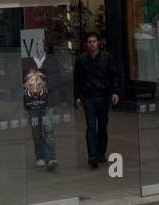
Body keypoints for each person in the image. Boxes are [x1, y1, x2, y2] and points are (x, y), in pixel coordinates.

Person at [74, 31, 124, 169]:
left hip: (103, 97)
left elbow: (114, 75)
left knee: (102, 126)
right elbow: (77, 79)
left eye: (94, 41)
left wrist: (115, 92)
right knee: (90, 126)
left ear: (98, 43)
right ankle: (92, 155)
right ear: (86, 44)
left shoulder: (107, 57)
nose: (92, 44)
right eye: (89, 42)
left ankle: (101, 153)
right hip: (89, 97)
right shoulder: (81, 59)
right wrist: (77, 96)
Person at [22, 36, 64, 171]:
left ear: (45, 46)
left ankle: (51, 157)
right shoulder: (28, 62)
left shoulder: (52, 60)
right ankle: (40, 156)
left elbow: (58, 78)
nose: (39, 47)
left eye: (41, 44)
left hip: (49, 100)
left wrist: (50, 88)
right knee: (36, 130)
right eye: (37, 45)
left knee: (48, 128)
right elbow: (23, 81)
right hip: (33, 101)